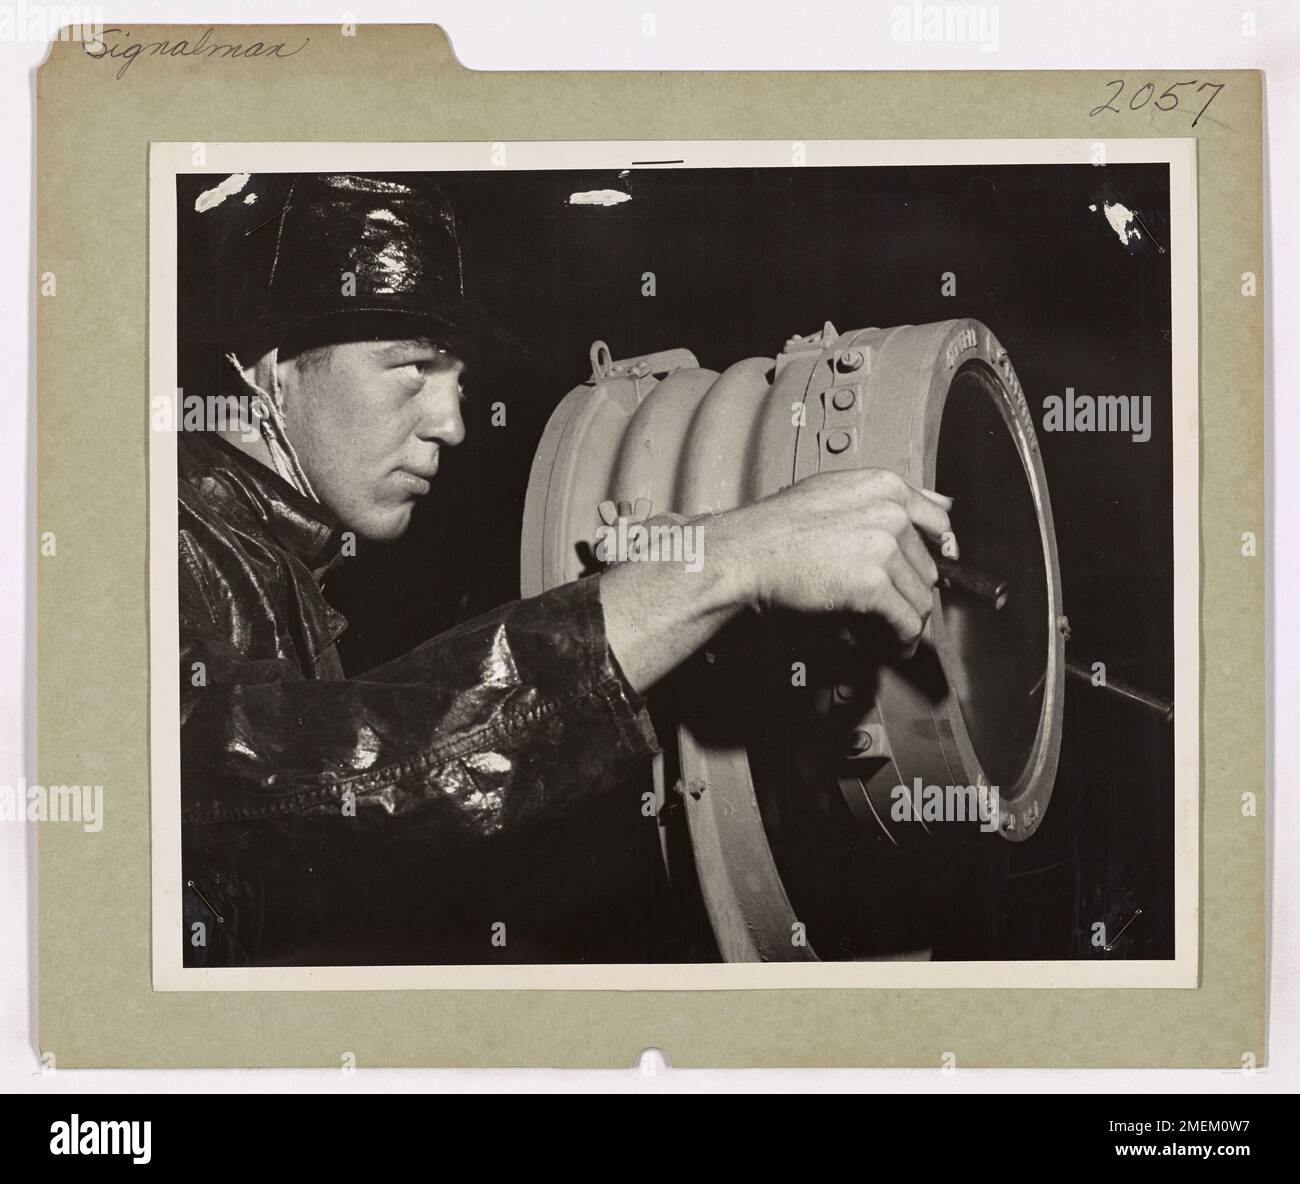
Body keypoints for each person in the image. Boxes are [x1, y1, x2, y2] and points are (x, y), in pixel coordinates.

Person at [179, 173, 953, 966]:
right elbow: (296, 791)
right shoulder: (159, 527)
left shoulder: (270, 559)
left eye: (459, 381)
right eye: (413, 367)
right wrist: (724, 561)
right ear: (272, 370)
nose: (451, 424)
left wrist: (658, 590)